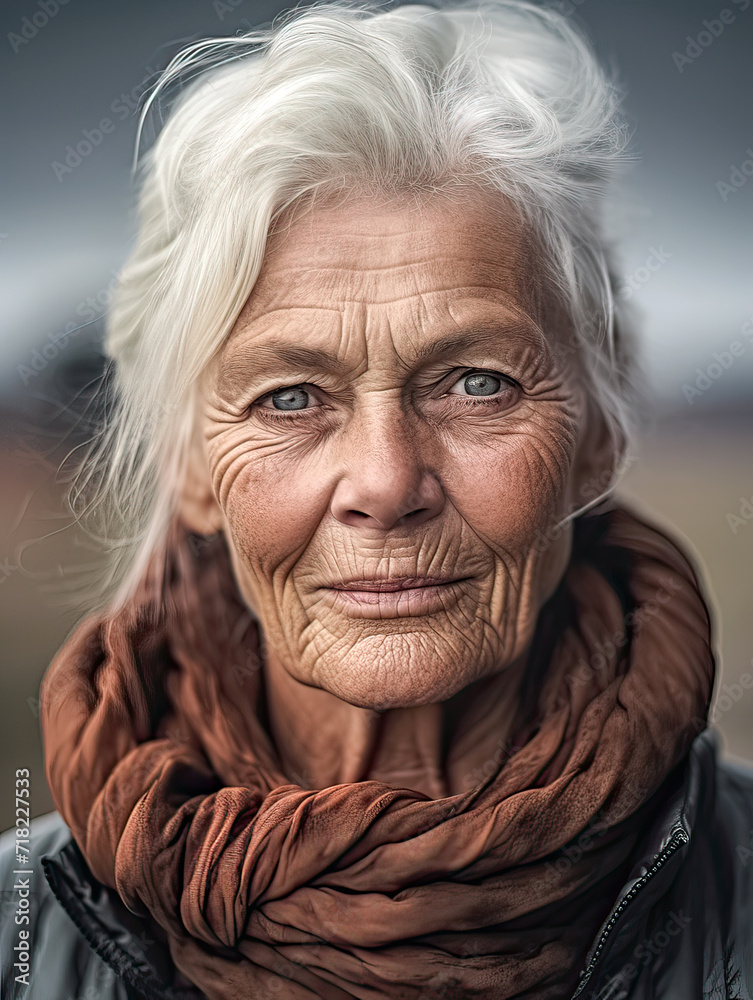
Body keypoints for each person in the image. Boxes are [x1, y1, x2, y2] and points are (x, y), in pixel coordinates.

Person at [2, 2, 752, 997]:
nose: (387, 482)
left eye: (477, 381)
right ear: (190, 466)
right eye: (290, 397)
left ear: (597, 433)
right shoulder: (22, 931)